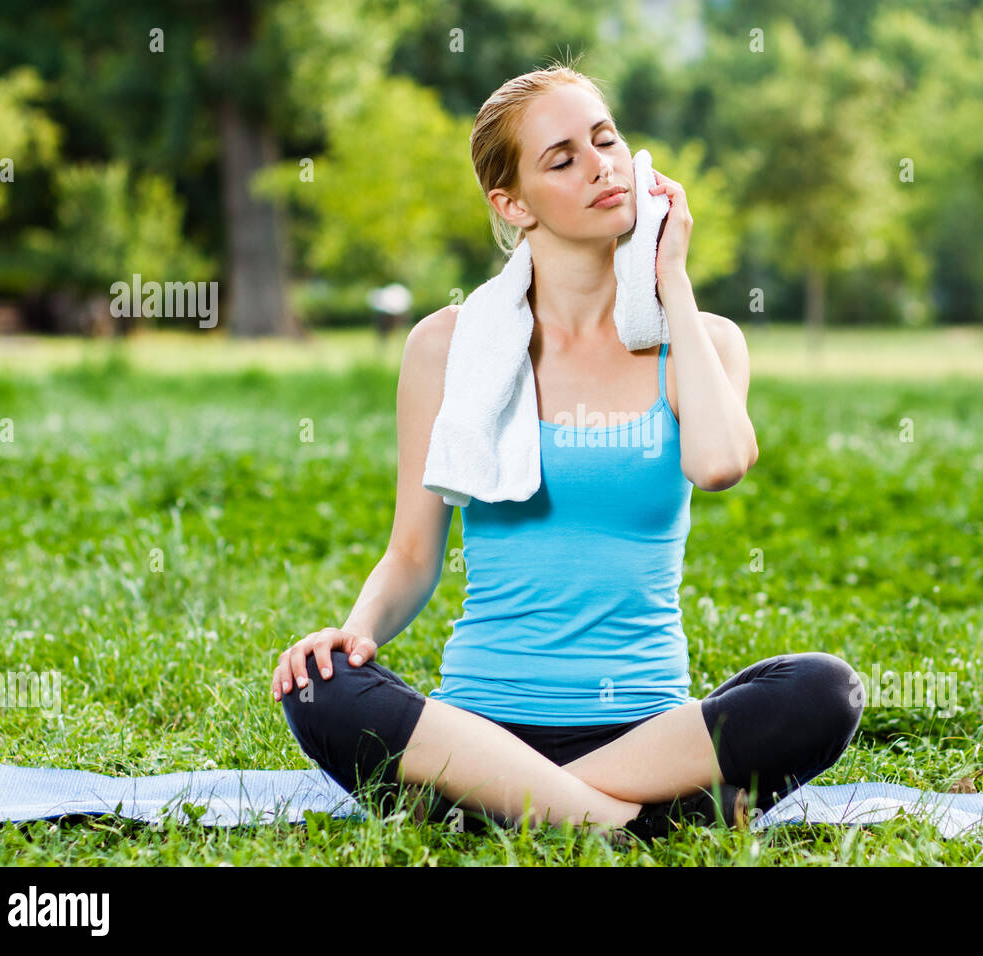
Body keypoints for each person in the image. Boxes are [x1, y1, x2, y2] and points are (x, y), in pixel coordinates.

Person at [272, 63, 865, 843]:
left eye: (606, 139)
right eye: (562, 159)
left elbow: (719, 464)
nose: (601, 167)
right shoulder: (446, 348)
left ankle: (506, 807)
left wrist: (672, 281)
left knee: (825, 690)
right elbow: (413, 555)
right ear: (512, 204)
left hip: (647, 737)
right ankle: (632, 825)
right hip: (478, 725)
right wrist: (353, 636)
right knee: (320, 689)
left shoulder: (703, 341)